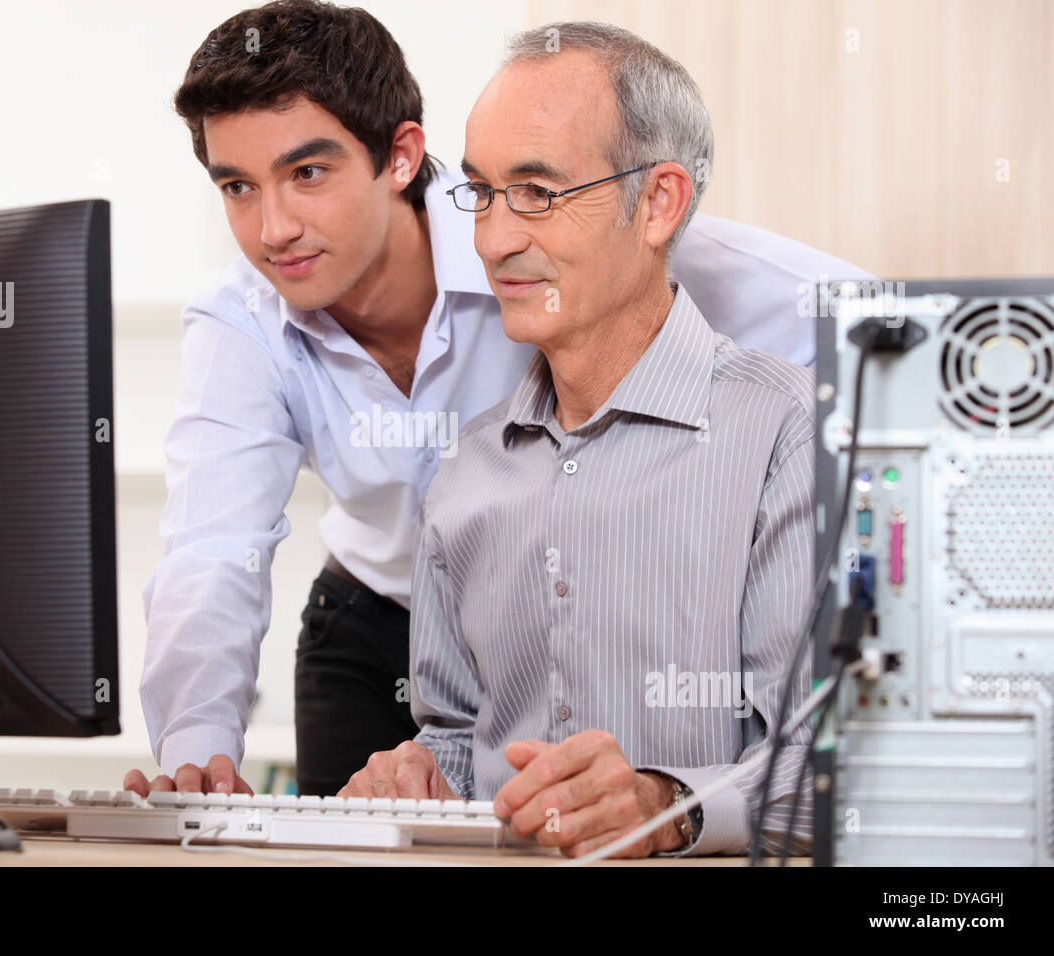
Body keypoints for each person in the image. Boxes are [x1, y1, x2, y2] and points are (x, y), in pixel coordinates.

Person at [127, 0, 863, 800]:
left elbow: (843, 316)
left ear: (401, 157)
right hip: (374, 612)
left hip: (548, 600)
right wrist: (196, 754)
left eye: (307, 173)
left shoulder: (550, 234)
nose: (274, 229)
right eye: (237, 186)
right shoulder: (243, 322)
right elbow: (212, 549)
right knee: (367, 828)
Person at [339, 22, 816, 859]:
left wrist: (665, 804)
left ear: (659, 203)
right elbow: (459, 735)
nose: (494, 240)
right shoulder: (466, 469)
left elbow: (829, 764)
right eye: (482, 192)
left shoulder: (786, 435)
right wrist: (419, 772)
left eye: (536, 191)